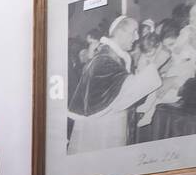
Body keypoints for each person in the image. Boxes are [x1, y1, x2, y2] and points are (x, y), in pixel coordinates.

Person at [66, 16, 162, 154]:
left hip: (110, 125)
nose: (136, 37)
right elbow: (125, 93)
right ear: (121, 32)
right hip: (101, 129)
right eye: (134, 32)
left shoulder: (113, 57)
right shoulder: (104, 60)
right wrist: (155, 65)